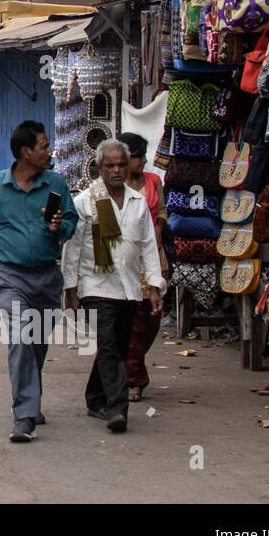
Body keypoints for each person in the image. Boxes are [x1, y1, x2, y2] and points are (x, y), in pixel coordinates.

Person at [0, 120, 78, 444]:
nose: (50, 150)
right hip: (11, 277)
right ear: (26, 152)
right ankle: (25, 415)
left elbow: (72, 221)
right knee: (20, 338)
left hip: (46, 276)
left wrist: (60, 226)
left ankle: (31, 396)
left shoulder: (55, 183)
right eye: (44, 146)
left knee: (37, 343)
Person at [62, 139, 165, 434]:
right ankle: (117, 409)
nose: (117, 170)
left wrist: (155, 286)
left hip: (130, 288)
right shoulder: (84, 202)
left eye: (122, 164)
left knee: (117, 347)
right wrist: (71, 289)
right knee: (108, 346)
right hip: (95, 286)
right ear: (99, 168)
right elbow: (73, 249)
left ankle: (95, 398)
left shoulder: (137, 202)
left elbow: (147, 246)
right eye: (110, 166)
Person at [118, 132, 168, 404]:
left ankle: (133, 366)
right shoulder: (113, 185)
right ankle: (134, 379)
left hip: (154, 260)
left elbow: (161, 212)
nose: (144, 160)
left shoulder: (153, 181)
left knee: (151, 321)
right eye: (139, 156)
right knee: (134, 323)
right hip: (126, 262)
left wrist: (158, 230)